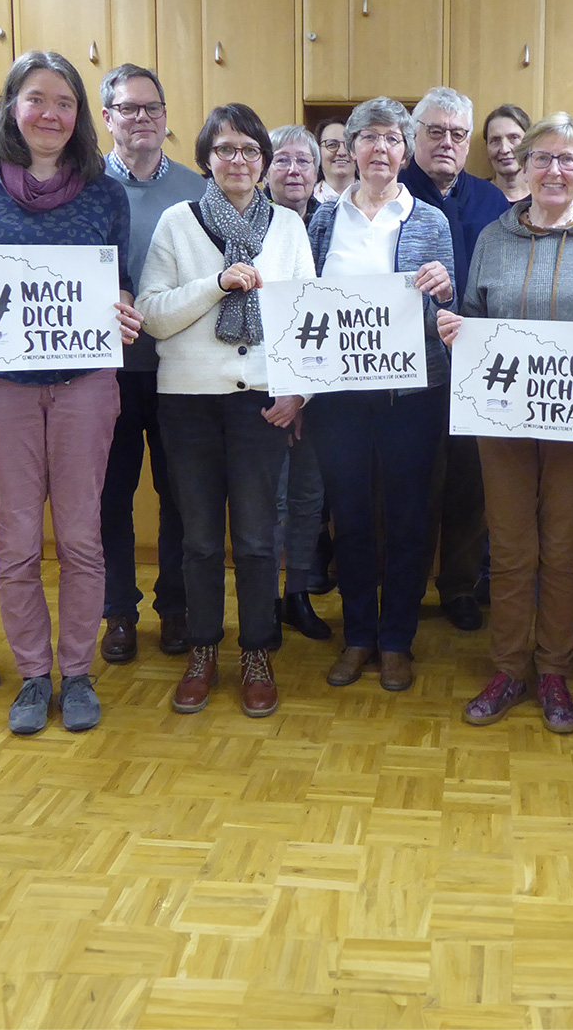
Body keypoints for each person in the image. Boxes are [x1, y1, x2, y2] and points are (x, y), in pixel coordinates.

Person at [0, 50, 142, 735]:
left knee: (84, 540)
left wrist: (123, 307)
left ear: (80, 115)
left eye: (64, 102)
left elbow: (120, 282)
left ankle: (78, 672)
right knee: (19, 542)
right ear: (11, 107)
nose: (50, 113)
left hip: (85, 387)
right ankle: (34, 675)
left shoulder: (105, 192)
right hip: (2, 391)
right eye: (36, 99)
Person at [437, 113, 573, 734]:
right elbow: (472, 314)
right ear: (522, 168)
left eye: (567, 160)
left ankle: (553, 669)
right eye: (541, 159)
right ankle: (508, 668)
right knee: (512, 545)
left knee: (563, 545)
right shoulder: (494, 238)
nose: (554, 170)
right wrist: (453, 333)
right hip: (500, 418)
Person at [137, 103, 315, 719]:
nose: (237, 161)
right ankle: (204, 649)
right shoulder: (176, 223)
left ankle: (258, 652)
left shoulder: (290, 227)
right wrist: (218, 283)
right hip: (187, 402)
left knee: (259, 539)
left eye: (249, 150)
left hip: (262, 403)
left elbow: (308, 320)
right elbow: (152, 314)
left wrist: (300, 393)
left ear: (264, 161)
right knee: (201, 539)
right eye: (224, 149)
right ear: (206, 160)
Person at [305, 96, 455, 691]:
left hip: (411, 396)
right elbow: (306, 305)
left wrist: (444, 288)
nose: (380, 151)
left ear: (405, 148)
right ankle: (359, 635)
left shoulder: (430, 220)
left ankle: (397, 639)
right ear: (350, 148)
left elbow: (447, 310)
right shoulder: (322, 220)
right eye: (369, 138)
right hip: (340, 400)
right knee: (353, 519)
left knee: (411, 520)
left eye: (393, 139)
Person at [98, 63, 206, 666]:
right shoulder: (83, 185)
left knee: (180, 497)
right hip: (100, 373)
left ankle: (176, 608)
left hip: (177, 370)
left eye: (152, 108)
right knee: (110, 497)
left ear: (166, 118)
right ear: (108, 118)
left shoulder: (197, 188)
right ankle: (118, 613)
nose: (142, 117)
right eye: (129, 108)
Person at [401, 86, 509, 633]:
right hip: (407, 370)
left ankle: (460, 586)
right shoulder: (390, 193)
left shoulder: (493, 203)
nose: (447, 142)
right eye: (435, 131)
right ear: (413, 137)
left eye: (458, 134)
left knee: (470, 486)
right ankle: (404, 586)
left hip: (478, 368)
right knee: (410, 484)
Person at [264, 123, 331, 643]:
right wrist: (285, 389)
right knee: (269, 499)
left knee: (308, 496)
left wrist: (307, 390)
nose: (293, 170)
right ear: (266, 169)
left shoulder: (335, 225)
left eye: (303, 161)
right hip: (263, 388)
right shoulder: (253, 226)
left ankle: (298, 594)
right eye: (282, 160)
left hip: (323, 387)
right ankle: (263, 597)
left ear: (318, 170)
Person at [483, 103, 531, 202]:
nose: (504, 149)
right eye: (495, 140)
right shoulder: (475, 196)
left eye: (514, 138)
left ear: (529, 143)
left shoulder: (544, 197)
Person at [312, 118, 354, 205]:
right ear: (317, 151)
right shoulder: (307, 202)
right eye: (332, 145)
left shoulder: (375, 198)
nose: (342, 152)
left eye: (348, 145)